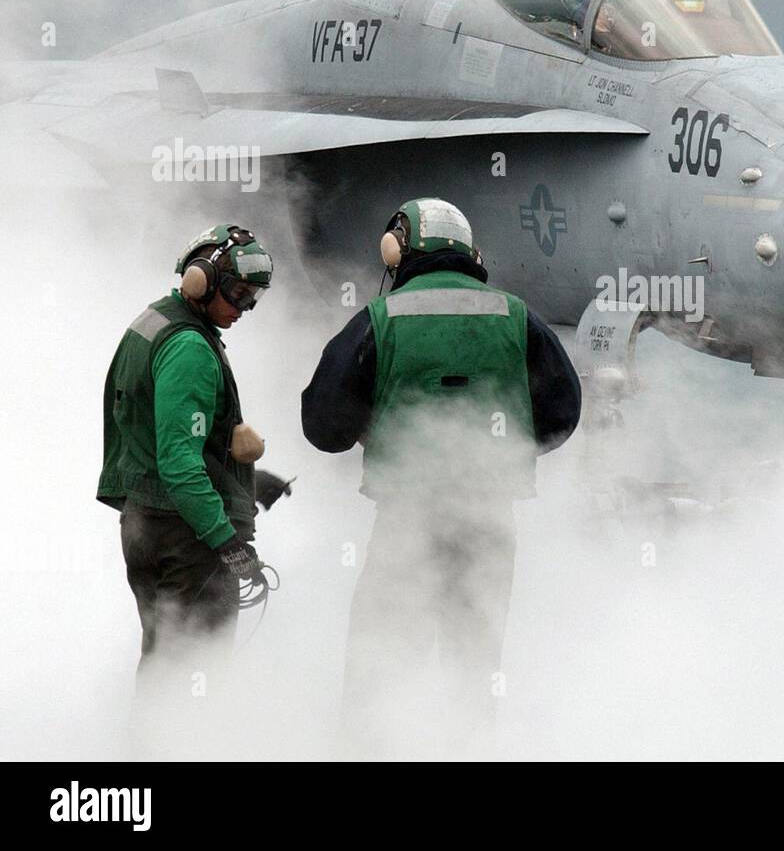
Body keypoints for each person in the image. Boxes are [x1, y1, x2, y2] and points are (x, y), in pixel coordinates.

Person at [301, 197, 581, 757]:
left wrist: (376, 428)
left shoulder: (381, 318)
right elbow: (563, 412)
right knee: (473, 669)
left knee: (379, 667)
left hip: (407, 521)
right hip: (489, 525)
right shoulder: (517, 317)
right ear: (470, 252)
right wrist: (496, 453)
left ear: (397, 249)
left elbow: (323, 425)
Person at [97, 225, 290, 687]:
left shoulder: (157, 321)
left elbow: (153, 437)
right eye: (238, 293)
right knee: (190, 679)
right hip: (187, 540)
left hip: (148, 524)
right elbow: (180, 464)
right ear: (200, 279)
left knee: (166, 662)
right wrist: (228, 543)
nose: (245, 308)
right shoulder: (190, 348)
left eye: (253, 297)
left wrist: (243, 479)